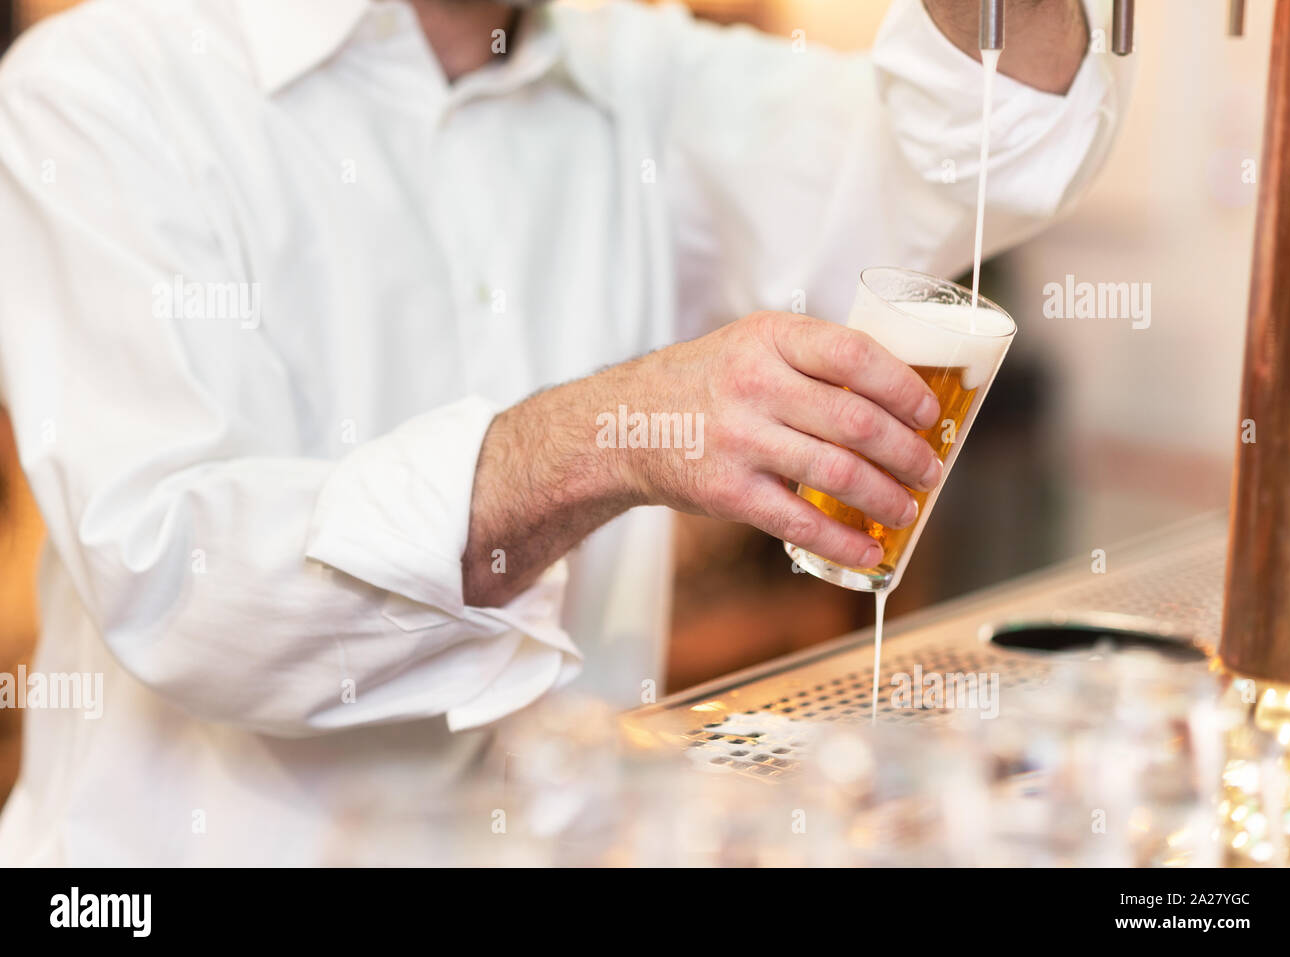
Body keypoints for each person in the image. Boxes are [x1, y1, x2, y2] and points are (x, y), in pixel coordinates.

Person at [0, 0, 1127, 864]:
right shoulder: (97, 92)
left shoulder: (632, 64)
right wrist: (609, 439)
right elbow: (184, 582)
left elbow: (959, 159)